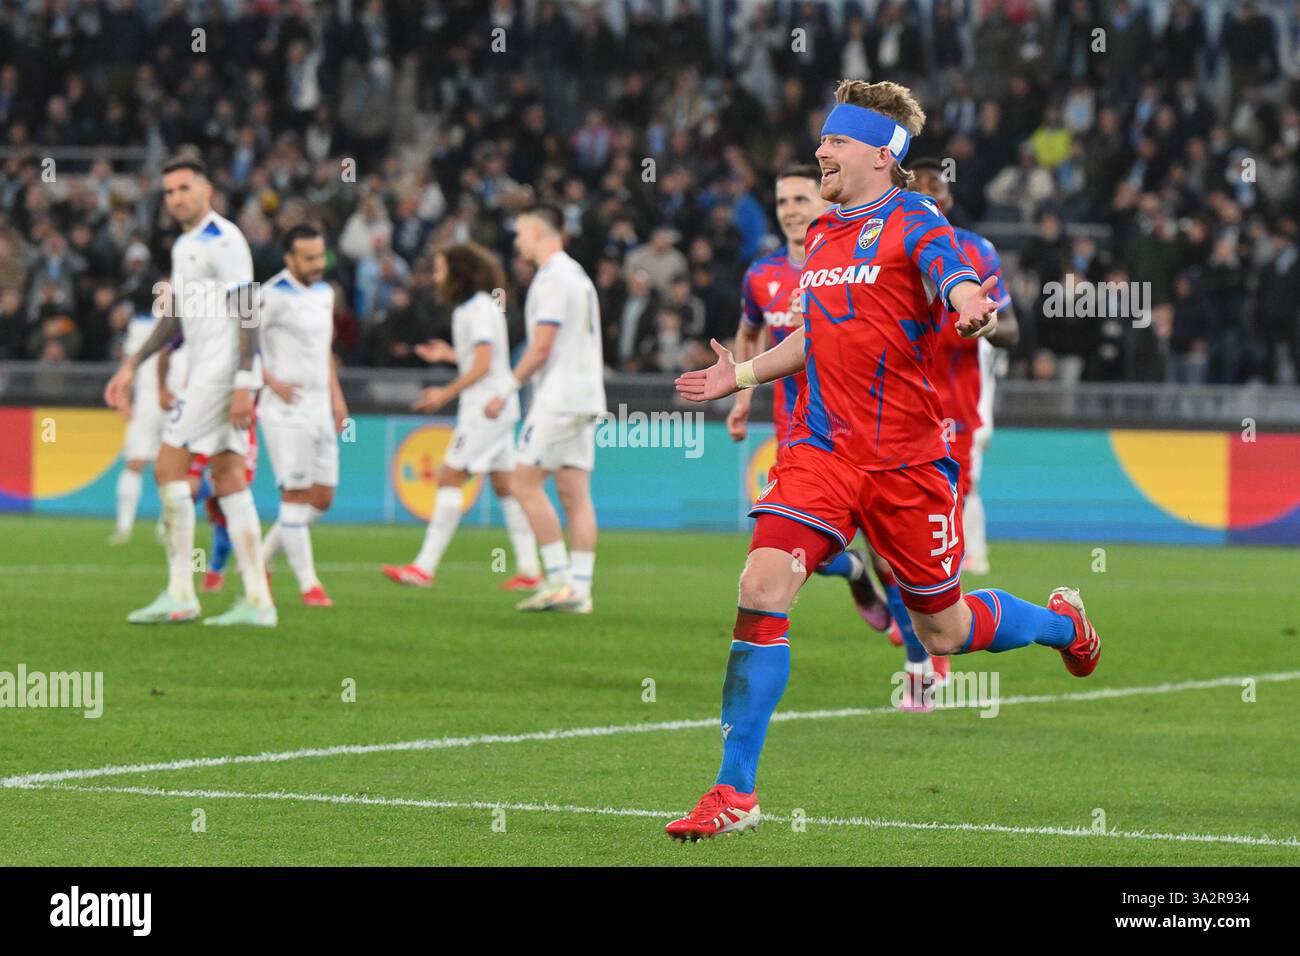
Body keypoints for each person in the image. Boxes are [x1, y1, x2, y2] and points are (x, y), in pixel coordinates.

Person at [667, 80, 1101, 840]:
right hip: (823, 453)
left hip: (906, 463)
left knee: (944, 631)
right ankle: (735, 793)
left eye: (834, 142)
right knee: (761, 582)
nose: (820, 153)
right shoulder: (827, 238)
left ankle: (1063, 625)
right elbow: (816, 337)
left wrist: (968, 303)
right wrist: (738, 375)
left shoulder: (916, 219)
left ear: (879, 152)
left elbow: (951, 272)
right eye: (822, 141)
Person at [103, 154, 276, 627]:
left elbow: (248, 312)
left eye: (184, 188)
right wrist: (132, 364)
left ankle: (181, 592)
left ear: (207, 191)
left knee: (168, 466)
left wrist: (242, 381)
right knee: (228, 477)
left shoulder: (225, 240)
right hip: (210, 369)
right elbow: (175, 315)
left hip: (221, 375)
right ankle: (259, 601)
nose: (176, 198)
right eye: (169, 191)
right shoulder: (185, 246)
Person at [728, 162, 897, 641]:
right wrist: (742, 398)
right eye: (782, 202)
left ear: (824, 200)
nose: (790, 211)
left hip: (865, 430)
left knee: (891, 550)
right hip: (798, 432)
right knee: (804, 554)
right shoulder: (762, 275)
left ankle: (920, 662)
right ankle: (854, 574)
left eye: (800, 199)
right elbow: (748, 332)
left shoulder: (856, 263)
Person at [382, 242, 541, 590]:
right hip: (496, 406)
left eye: (441, 269)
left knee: (449, 477)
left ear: (458, 273)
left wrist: (444, 393)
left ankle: (424, 568)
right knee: (505, 486)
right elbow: (483, 359)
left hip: (486, 409)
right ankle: (530, 571)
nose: (437, 276)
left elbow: (483, 366)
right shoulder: (476, 308)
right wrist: (450, 355)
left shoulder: (477, 310)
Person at [484, 206, 606, 614]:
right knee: (574, 493)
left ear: (537, 230)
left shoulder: (552, 277)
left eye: (520, 232)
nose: (517, 241)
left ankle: (556, 580)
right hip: (587, 394)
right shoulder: (578, 276)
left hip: (560, 395)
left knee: (523, 482)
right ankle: (581, 589)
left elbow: (541, 346)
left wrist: (506, 387)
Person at [257, 224, 349, 607]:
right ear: (289, 259)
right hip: (284, 407)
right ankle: (310, 585)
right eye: (308, 258)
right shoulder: (269, 295)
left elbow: (322, 348)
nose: (317, 264)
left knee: (322, 497)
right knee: (294, 496)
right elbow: (235, 342)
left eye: (320, 256)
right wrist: (270, 381)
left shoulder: (326, 293)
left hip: (319, 406)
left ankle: (258, 560)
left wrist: (337, 395)